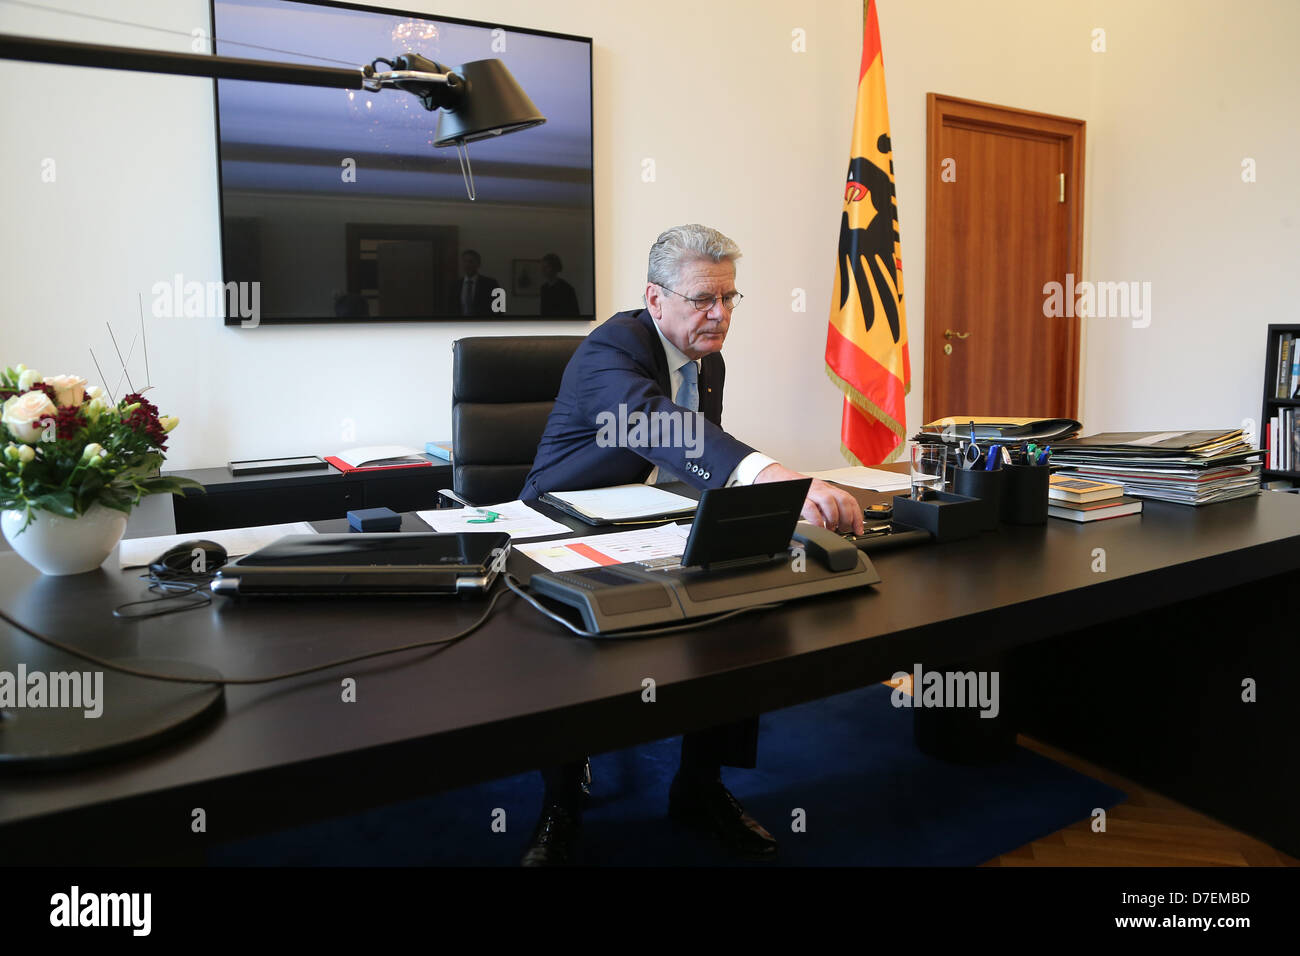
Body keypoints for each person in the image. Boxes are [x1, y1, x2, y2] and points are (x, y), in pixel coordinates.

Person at [518, 224, 865, 866]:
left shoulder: (710, 359)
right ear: (655, 300)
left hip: (655, 518)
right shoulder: (610, 348)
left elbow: (694, 460)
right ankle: (562, 797)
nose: (720, 315)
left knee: (737, 606)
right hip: (563, 522)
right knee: (571, 650)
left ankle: (700, 786)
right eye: (705, 299)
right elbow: (657, 426)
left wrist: (759, 509)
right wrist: (772, 475)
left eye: (730, 299)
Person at [450, 249, 501, 316]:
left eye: (471, 261)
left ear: (478, 264)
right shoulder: (455, 285)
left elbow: (499, 309)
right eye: (465, 261)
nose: (467, 265)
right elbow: (450, 309)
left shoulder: (491, 284)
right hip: (460, 325)